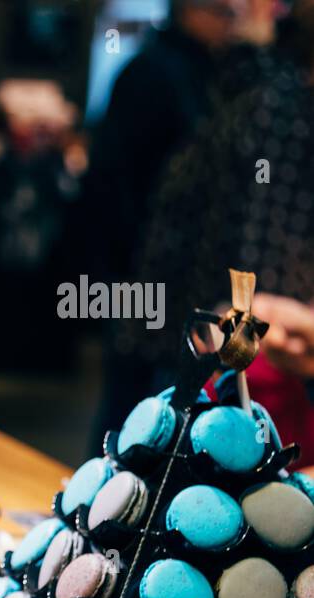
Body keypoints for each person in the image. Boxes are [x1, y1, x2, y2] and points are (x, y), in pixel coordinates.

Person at [138, 1, 314, 466]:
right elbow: (257, 252)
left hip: (219, 335)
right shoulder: (278, 102)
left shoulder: (267, 95)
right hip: (225, 345)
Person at [82, 0, 252, 447]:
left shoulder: (212, 75)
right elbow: (113, 182)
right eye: (225, 13)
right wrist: (121, 275)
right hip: (147, 273)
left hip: (170, 277)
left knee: (153, 400)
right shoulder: (155, 74)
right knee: (132, 403)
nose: (233, 23)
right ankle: (100, 502)